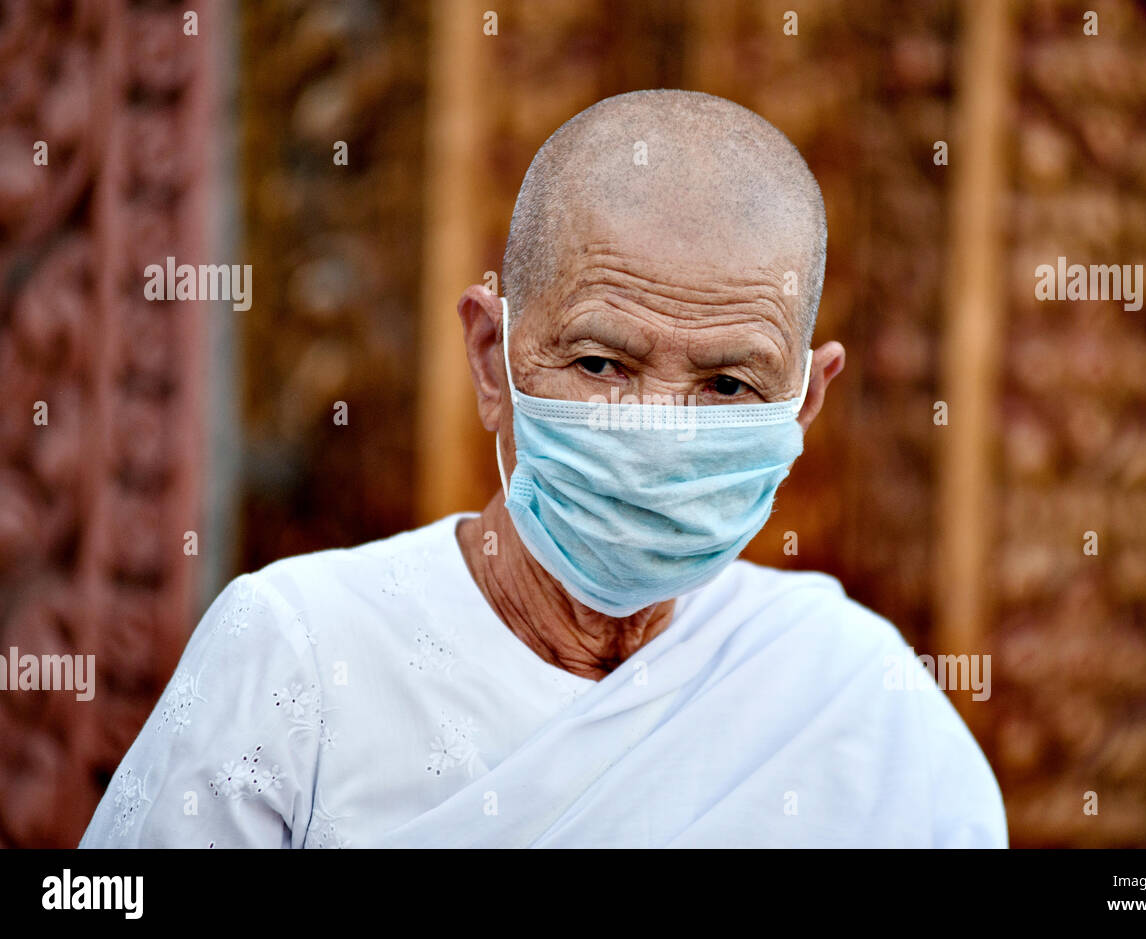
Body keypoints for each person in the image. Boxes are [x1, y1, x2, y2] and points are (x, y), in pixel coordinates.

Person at [80, 89, 1007, 848]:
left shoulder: (853, 696)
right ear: (492, 356)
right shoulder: (300, 655)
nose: (660, 436)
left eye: (728, 384)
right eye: (602, 364)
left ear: (804, 402)